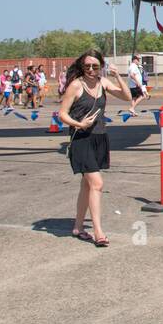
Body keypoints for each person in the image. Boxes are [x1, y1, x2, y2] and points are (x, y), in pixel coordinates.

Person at [59, 50, 132, 248]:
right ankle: (98, 232)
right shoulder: (76, 85)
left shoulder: (103, 83)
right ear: (82, 67)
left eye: (95, 66)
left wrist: (118, 76)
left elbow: (127, 97)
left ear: (101, 66)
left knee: (87, 185)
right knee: (97, 184)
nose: (91, 70)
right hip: (81, 139)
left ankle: (78, 227)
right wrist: (79, 124)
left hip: (99, 138)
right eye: (87, 66)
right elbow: (62, 114)